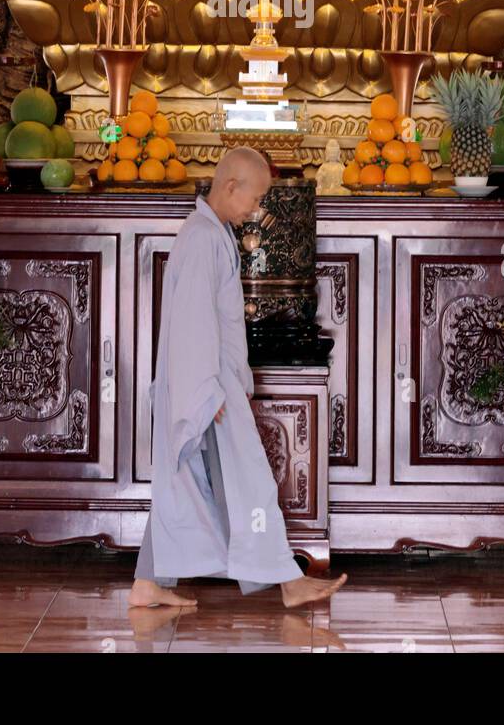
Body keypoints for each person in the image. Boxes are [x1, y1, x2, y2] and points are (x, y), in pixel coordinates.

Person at [129, 146, 347, 608]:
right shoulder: (203, 237)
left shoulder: (211, 233)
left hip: (214, 379)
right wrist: (206, 390)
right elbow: (193, 321)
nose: (257, 208)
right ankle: (288, 581)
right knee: (246, 483)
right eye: (255, 197)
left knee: (187, 482)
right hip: (207, 384)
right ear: (231, 186)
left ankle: (149, 583)